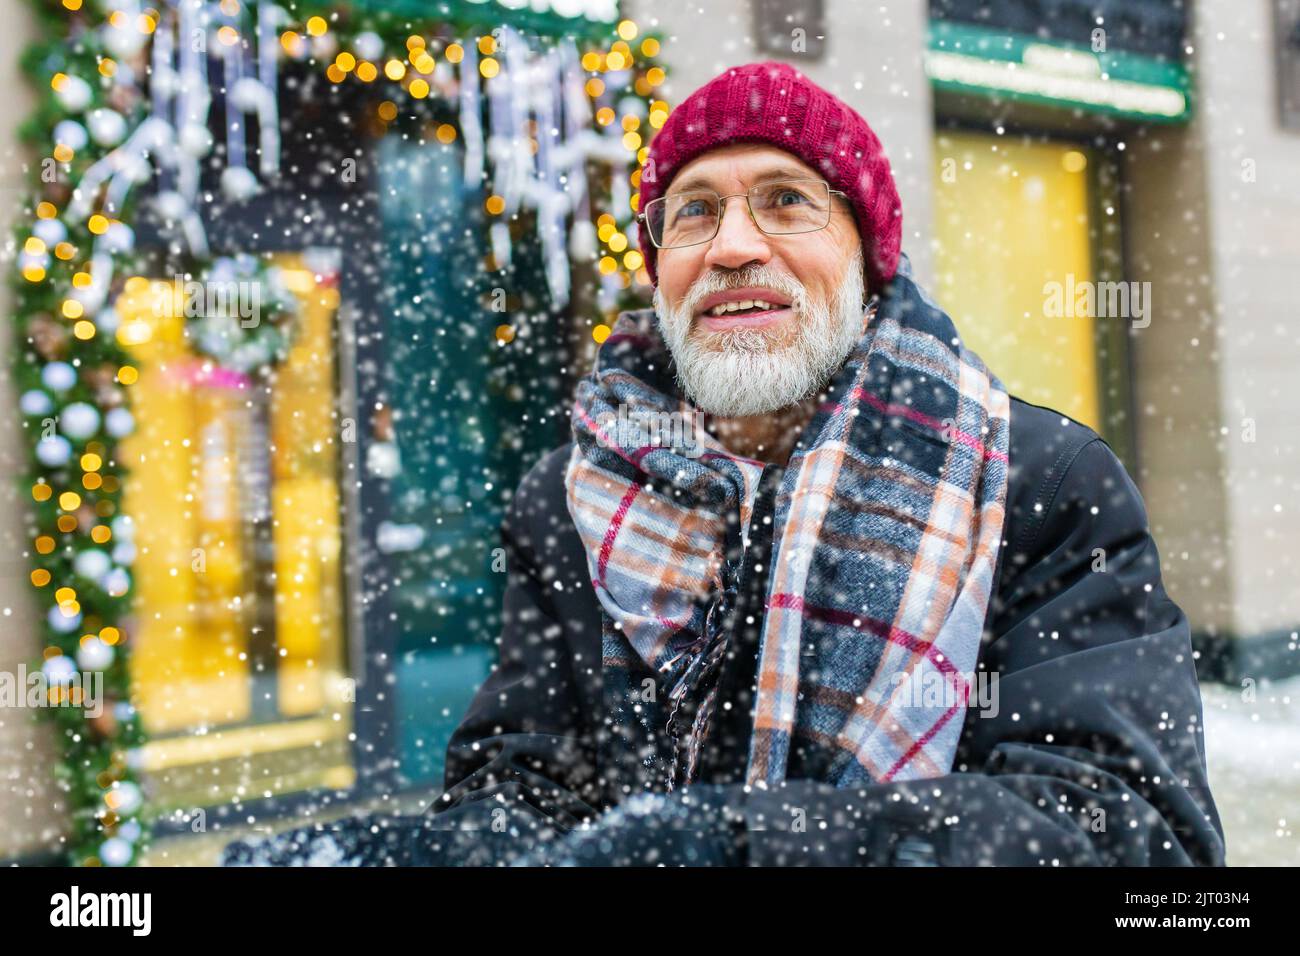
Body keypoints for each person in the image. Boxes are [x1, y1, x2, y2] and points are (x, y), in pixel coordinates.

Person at [429, 61, 1226, 867]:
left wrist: (747, 845)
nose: (733, 247)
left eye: (787, 200)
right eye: (695, 212)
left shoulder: (1042, 482)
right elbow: (516, 777)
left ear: (866, 256)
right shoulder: (569, 497)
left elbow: (1134, 834)